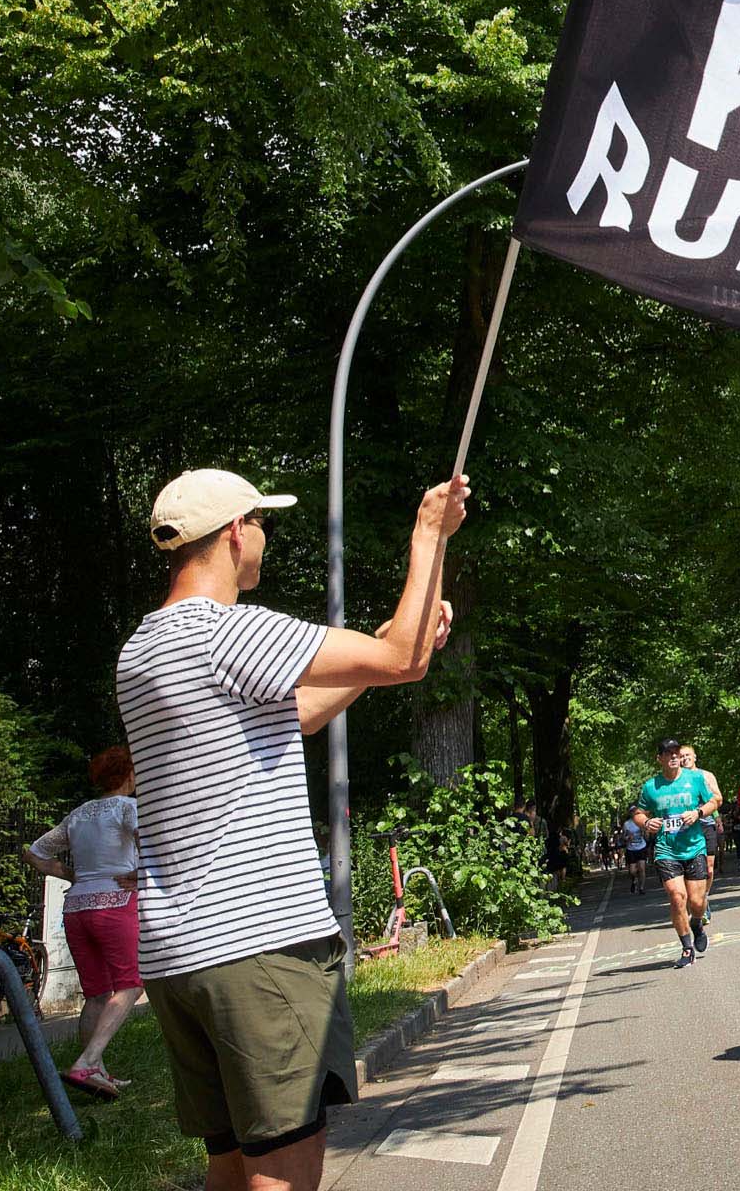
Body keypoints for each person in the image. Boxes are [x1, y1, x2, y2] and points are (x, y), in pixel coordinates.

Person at [119, 467, 461, 1191]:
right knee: (283, 1166)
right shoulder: (229, 631)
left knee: (229, 1163)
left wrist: (379, 650)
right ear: (235, 532)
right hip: (260, 947)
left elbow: (291, 718)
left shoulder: (143, 649)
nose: (264, 541)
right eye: (261, 524)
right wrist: (429, 535)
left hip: (180, 957)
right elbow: (406, 660)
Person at [23, 745, 145, 1099]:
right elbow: (153, 845)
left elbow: (35, 854)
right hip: (115, 904)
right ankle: (88, 1062)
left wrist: (74, 876)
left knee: (96, 993)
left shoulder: (78, 815)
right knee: (132, 983)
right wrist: (140, 875)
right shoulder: (128, 808)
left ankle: (97, 1072)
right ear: (129, 774)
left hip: (77, 908)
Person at [634, 739, 721, 965]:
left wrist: (698, 813)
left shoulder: (695, 779)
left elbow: (714, 801)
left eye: (676, 752)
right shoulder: (651, 786)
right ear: (659, 759)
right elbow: (638, 812)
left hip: (694, 847)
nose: (673, 756)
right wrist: (646, 823)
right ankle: (686, 947)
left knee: (697, 902)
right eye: (668, 753)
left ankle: (697, 923)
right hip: (666, 850)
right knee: (676, 896)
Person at [620, 809, 651, 893]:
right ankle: (634, 880)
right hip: (631, 849)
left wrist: (644, 832)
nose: (634, 813)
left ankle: (641, 888)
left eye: (636, 811)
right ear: (630, 813)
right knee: (632, 871)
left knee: (642, 868)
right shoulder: (627, 824)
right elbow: (623, 837)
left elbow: (647, 836)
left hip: (641, 847)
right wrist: (628, 838)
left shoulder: (642, 821)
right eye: (632, 811)